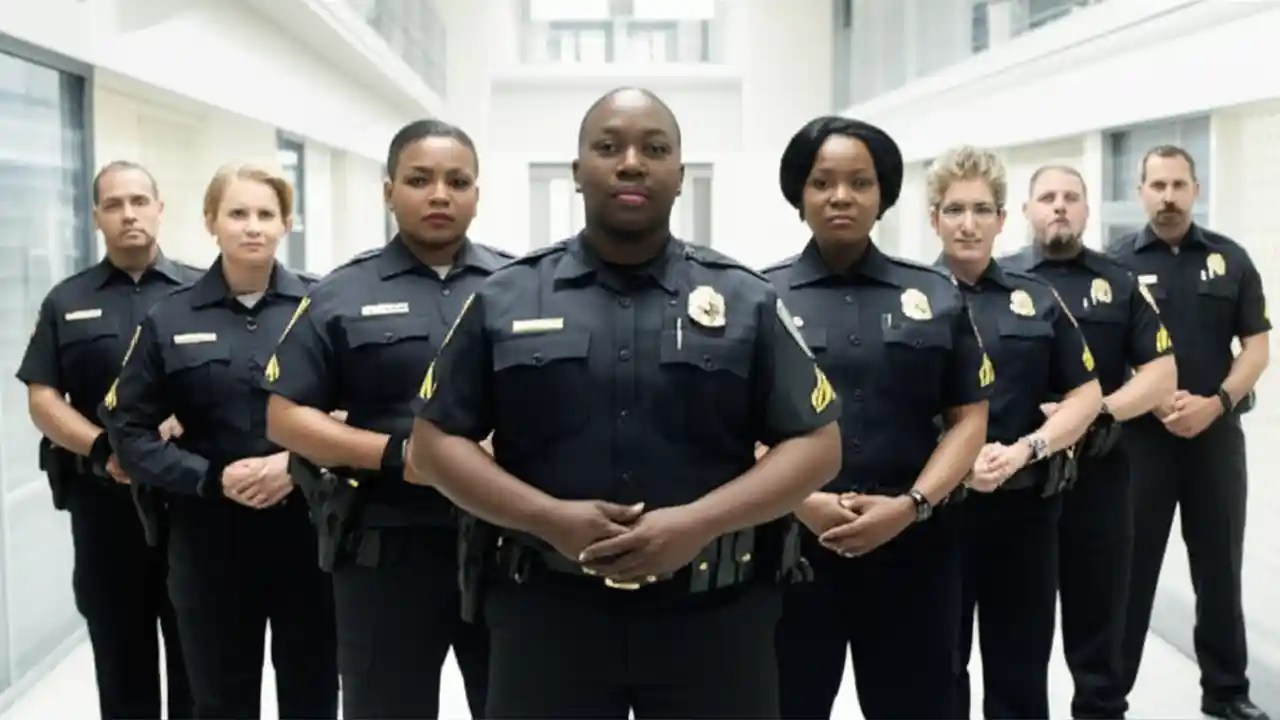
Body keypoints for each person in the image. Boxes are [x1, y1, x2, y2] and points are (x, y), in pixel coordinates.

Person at [405, 87, 842, 719]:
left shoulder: (745, 299)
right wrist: (549, 517)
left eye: (654, 149)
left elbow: (818, 446)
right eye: (608, 148)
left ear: (680, 176)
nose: (631, 163)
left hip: (714, 621)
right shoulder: (506, 298)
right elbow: (434, 441)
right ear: (577, 172)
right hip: (547, 618)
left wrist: (694, 525)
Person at [264, 119, 507, 719]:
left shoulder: (518, 286)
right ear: (389, 190)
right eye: (420, 179)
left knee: (517, 706)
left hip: (506, 545)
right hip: (385, 551)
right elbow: (285, 417)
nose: (440, 194)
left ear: (477, 192)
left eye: (458, 180)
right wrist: (399, 456)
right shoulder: (341, 292)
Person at [763, 117, 990, 720]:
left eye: (860, 182)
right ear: (799, 195)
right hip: (792, 549)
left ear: (883, 196)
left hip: (914, 544)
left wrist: (913, 504)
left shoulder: (936, 295)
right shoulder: (761, 296)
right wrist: (802, 501)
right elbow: (737, 428)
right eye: (823, 182)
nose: (841, 196)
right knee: (786, 703)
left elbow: (970, 418)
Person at [99, 163, 338, 719]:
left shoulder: (323, 306)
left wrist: (296, 463)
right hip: (209, 542)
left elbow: (355, 409)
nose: (252, 227)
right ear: (211, 221)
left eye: (265, 214)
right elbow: (128, 431)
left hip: (311, 534)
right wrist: (209, 478)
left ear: (286, 223)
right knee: (219, 697)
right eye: (237, 213)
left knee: (314, 689)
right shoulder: (169, 317)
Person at [16, 161, 197, 720]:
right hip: (105, 511)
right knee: (121, 666)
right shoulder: (67, 301)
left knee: (200, 661)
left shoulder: (201, 290)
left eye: (139, 201)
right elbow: (43, 398)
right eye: (114, 204)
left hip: (192, 511)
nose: (129, 214)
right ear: (96, 216)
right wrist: (105, 449)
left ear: (159, 207)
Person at [930, 145, 1102, 719]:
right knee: (935, 666)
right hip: (937, 517)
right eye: (955, 210)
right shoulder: (908, 301)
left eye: (983, 209)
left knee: (1021, 669)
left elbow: (1088, 393)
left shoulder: (1037, 299)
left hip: (1025, 517)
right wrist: (954, 462)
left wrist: (1031, 448)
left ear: (1003, 219)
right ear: (935, 219)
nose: (969, 224)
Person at [1002, 164, 1177, 719]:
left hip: (1098, 481)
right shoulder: (996, 277)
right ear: (1028, 210)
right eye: (1047, 197)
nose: (1059, 206)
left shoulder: (1119, 282)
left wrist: (1093, 412)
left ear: (1086, 210)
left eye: (1070, 197)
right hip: (1016, 485)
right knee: (1015, 639)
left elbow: (1161, 374)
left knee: (1099, 635)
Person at [1108, 145, 1271, 720]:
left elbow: (1256, 344)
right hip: (1139, 447)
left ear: (1195, 189)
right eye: (1157, 185)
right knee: (1129, 573)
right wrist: (1148, 397)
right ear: (1141, 192)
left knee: (1219, 570)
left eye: (1178, 184)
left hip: (1215, 439)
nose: (1168, 196)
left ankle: (1226, 693)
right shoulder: (1116, 265)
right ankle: (1108, 698)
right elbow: (1101, 352)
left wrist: (1219, 401)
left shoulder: (1230, 260)